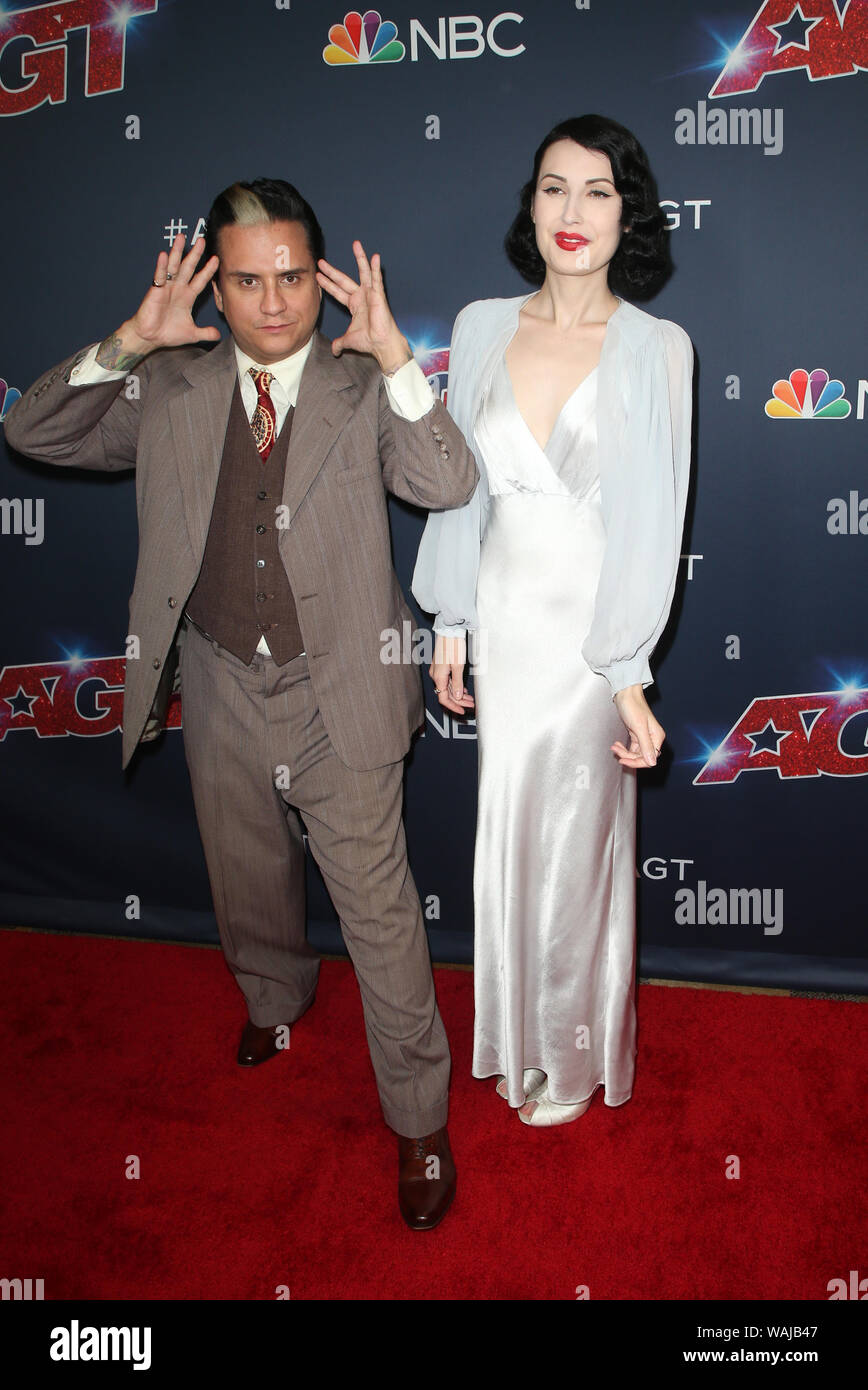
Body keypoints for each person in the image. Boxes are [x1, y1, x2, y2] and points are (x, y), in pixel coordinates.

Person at [4, 178, 479, 1226]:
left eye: (296, 278)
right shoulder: (170, 388)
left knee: (381, 911)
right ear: (216, 290)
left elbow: (446, 483)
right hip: (220, 675)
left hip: (338, 684)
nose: (275, 303)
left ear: (324, 279)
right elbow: (34, 430)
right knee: (246, 869)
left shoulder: (364, 389)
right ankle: (275, 997)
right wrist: (131, 337)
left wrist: (395, 355)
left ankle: (418, 1117)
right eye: (251, 282)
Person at [412, 116, 694, 1126]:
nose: (572, 213)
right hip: (503, 618)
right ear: (528, 204)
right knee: (509, 837)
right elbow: (457, 488)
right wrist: (448, 619)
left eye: (598, 191)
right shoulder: (482, 325)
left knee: (576, 848)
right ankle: (513, 1040)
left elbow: (653, 518)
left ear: (630, 214)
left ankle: (566, 1064)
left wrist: (625, 670)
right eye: (552, 187)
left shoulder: (659, 347)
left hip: (586, 639)